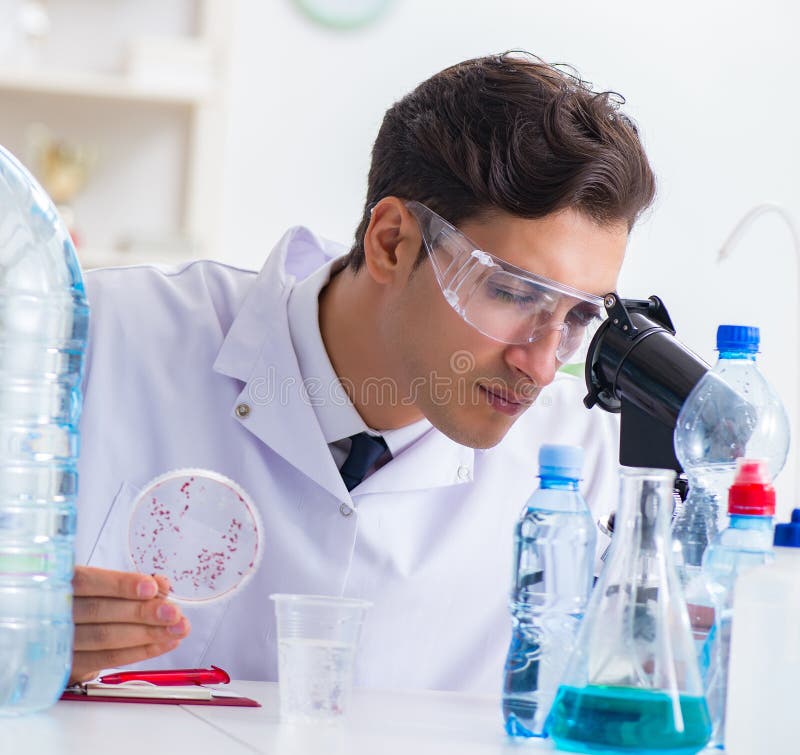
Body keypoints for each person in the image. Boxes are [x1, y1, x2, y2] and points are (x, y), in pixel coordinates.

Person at [69, 52, 655, 691]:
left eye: (575, 316)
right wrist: (22, 641)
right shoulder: (97, 336)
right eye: (513, 295)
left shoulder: (586, 465)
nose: (542, 366)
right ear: (392, 243)